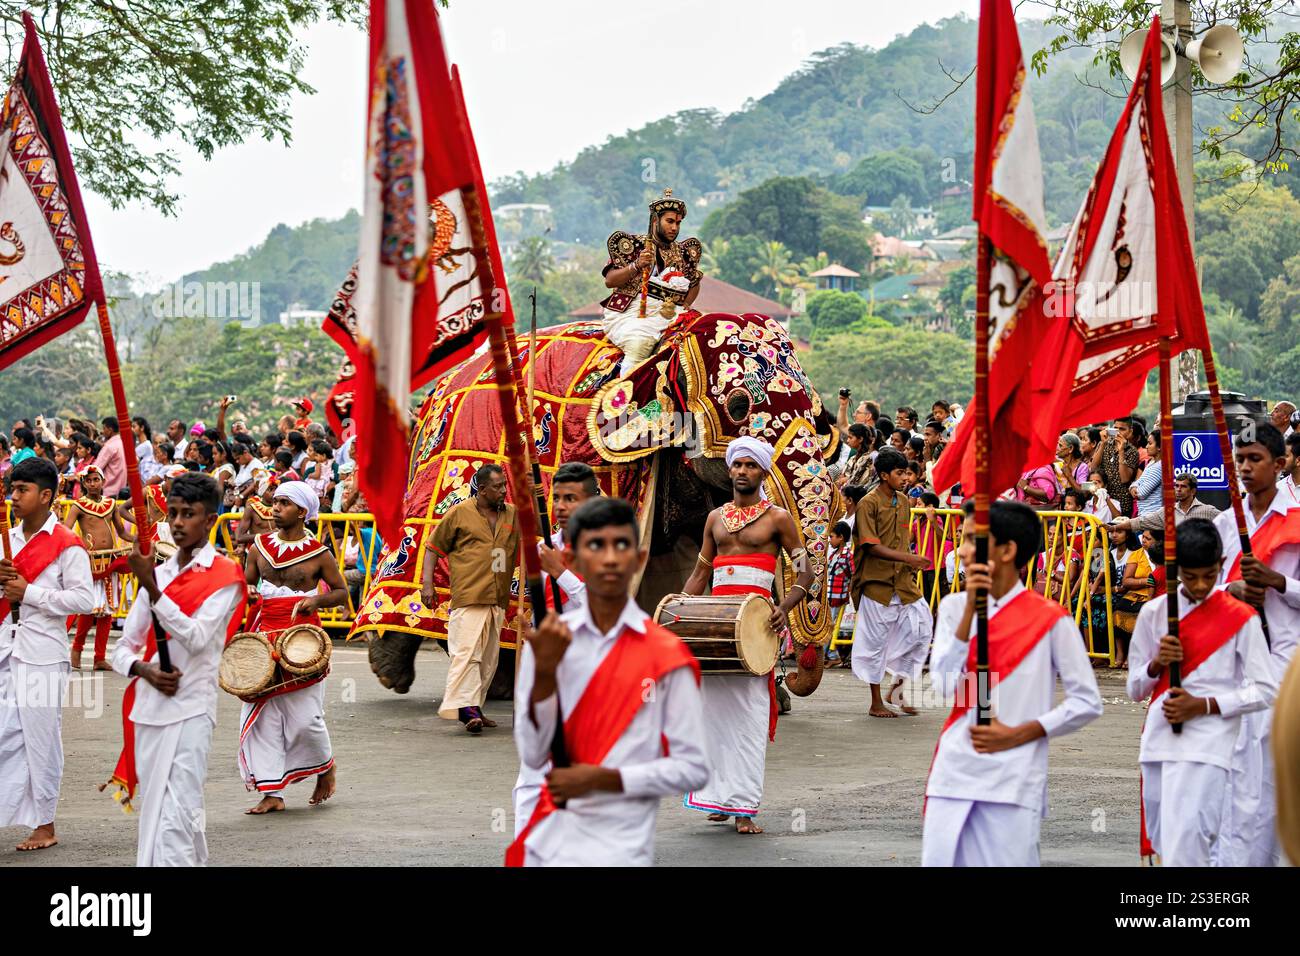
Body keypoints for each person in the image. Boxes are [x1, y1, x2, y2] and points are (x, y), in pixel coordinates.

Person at [506, 496, 707, 866]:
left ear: (639, 559)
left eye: (621, 545)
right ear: (574, 561)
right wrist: (546, 679)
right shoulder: (548, 644)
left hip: (621, 848)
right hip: (547, 842)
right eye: (596, 546)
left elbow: (692, 768)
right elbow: (533, 755)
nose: (610, 558)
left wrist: (604, 780)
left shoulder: (666, 653)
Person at [923, 499, 1102, 866]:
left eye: (973, 539)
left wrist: (1020, 733)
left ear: (1007, 550)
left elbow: (1087, 702)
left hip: (1014, 776)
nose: (963, 549)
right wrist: (972, 610)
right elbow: (943, 686)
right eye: (963, 538)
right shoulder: (956, 607)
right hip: (955, 769)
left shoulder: (1051, 620)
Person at [109, 473, 245, 865]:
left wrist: (153, 590)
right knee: (159, 814)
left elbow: (198, 638)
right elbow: (123, 649)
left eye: (190, 514)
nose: (179, 522)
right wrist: (143, 670)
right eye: (173, 514)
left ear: (210, 521)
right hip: (149, 712)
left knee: (177, 816)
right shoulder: (161, 572)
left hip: (191, 712)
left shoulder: (225, 577)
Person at [680, 436, 814, 834]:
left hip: (757, 629)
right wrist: (679, 609)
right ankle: (719, 799)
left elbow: (805, 569)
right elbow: (701, 575)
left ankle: (743, 808)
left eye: (750, 466)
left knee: (750, 719)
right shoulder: (715, 518)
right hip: (716, 627)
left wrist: (784, 607)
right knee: (714, 717)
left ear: (762, 471)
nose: (741, 471)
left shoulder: (778, 519)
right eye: (737, 464)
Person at [1128, 518, 1275, 866]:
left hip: (1211, 745)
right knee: (1168, 841)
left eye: (1209, 576)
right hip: (1159, 742)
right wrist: (1155, 664)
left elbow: (1265, 689)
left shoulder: (1241, 618)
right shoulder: (1154, 613)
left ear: (1222, 566)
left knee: (1189, 840)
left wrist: (1205, 705)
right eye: (1190, 576)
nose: (1199, 585)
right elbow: (1135, 688)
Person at [1213, 423, 1300, 866]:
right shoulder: (1228, 522)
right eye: (1239, 459)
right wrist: (1233, 592)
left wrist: (1280, 582)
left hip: (1286, 667)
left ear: (1279, 464)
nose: (1244, 468)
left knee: (1271, 777)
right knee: (1233, 775)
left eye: (1254, 459)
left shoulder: (1299, 521)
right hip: (1235, 662)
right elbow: (1204, 593)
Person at [0, 458, 95, 850]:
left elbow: (84, 599)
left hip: (42, 652)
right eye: (12, 489)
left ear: (46, 496)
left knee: (41, 739)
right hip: (6, 646)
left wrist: (30, 593)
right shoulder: (6, 538)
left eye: (22, 490)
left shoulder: (67, 545)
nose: (14, 497)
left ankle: (45, 824)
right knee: (5, 736)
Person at [240, 481, 345, 813]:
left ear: (302, 511)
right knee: (262, 716)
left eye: (284, 503)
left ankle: (325, 767)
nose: (275, 507)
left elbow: (342, 592)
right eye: (275, 501)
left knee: (304, 719)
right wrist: (249, 594)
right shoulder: (257, 547)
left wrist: (316, 599)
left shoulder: (319, 553)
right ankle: (272, 792)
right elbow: (245, 585)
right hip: (264, 632)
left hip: (303, 638)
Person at [513, 462, 599, 837]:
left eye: (571, 498)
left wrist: (560, 571)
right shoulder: (545, 545)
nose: (561, 506)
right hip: (545, 663)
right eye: (557, 497)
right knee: (532, 768)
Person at [422, 463, 520, 734]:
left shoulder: (512, 514)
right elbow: (432, 548)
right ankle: (467, 710)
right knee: (466, 652)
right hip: (469, 594)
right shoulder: (459, 512)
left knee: (488, 658)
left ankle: (475, 706)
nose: (503, 490)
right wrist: (427, 584)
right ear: (483, 488)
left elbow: (524, 549)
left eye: (504, 485)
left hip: (497, 597)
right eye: (498, 486)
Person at [850, 447, 932, 718]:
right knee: (874, 643)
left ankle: (896, 690)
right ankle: (875, 703)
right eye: (900, 473)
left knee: (921, 632)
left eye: (907, 472)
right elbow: (871, 546)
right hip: (876, 582)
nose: (906, 477)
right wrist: (910, 558)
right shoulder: (868, 503)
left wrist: (908, 561)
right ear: (884, 475)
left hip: (903, 582)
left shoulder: (905, 501)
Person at [599, 189, 702, 375]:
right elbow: (610, 281)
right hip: (632, 314)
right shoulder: (635, 246)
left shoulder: (684, 252)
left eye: (678, 223)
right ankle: (625, 393)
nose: (675, 228)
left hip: (671, 315)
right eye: (669, 222)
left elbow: (694, 282)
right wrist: (636, 265)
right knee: (640, 345)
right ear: (655, 221)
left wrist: (686, 304)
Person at [63, 466, 133, 670]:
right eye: (89, 480)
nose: (93, 483)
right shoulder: (78, 506)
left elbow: (122, 532)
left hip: (109, 562)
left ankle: (99, 658)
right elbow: (66, 531)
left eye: (96, 479)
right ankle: (76, 651)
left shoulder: (111, 505)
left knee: (107, 611)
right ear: (84, 484)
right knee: (88, 609)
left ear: (102, 481)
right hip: (89, 564)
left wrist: (141, 539)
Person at [1113, 472, 1219, 535]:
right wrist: (1114, 527)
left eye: (1183, 486)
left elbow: (1230, 521)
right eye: (1176, 486)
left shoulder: (1207, 511)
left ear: (1193, 491)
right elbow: (1140, 522)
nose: (1178, 489)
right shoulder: (1168, 511)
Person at [1091, 420, 1140, 517]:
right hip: (1102, 499)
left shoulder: (1132, 451)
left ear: (1130, 431)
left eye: (1122, 429)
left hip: (1122, 502)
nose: (1118, 432)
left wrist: (1121, 451)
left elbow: (1125, 478)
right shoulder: (1105, 444)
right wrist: (1103, 444)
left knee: (1117, 530)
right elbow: (1093, 468)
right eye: (1115, 428)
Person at [1129, 431, 1163, 518]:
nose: (1147, 446)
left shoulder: (1160, 466)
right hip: (1144, 514)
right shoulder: (1151, 462)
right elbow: (1137, 482)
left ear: (1159, 447)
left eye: (1150, 443)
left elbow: (1141, 493)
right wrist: (1133, 486)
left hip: (1152, 515)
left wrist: (1134, 487)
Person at [95, 416, 128, 497]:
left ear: (110, 430)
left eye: (104, 428)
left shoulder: (109, 446)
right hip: (122, 492)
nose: (102, 431)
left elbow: (95, 468)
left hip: (107, 492)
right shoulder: (124, 444)